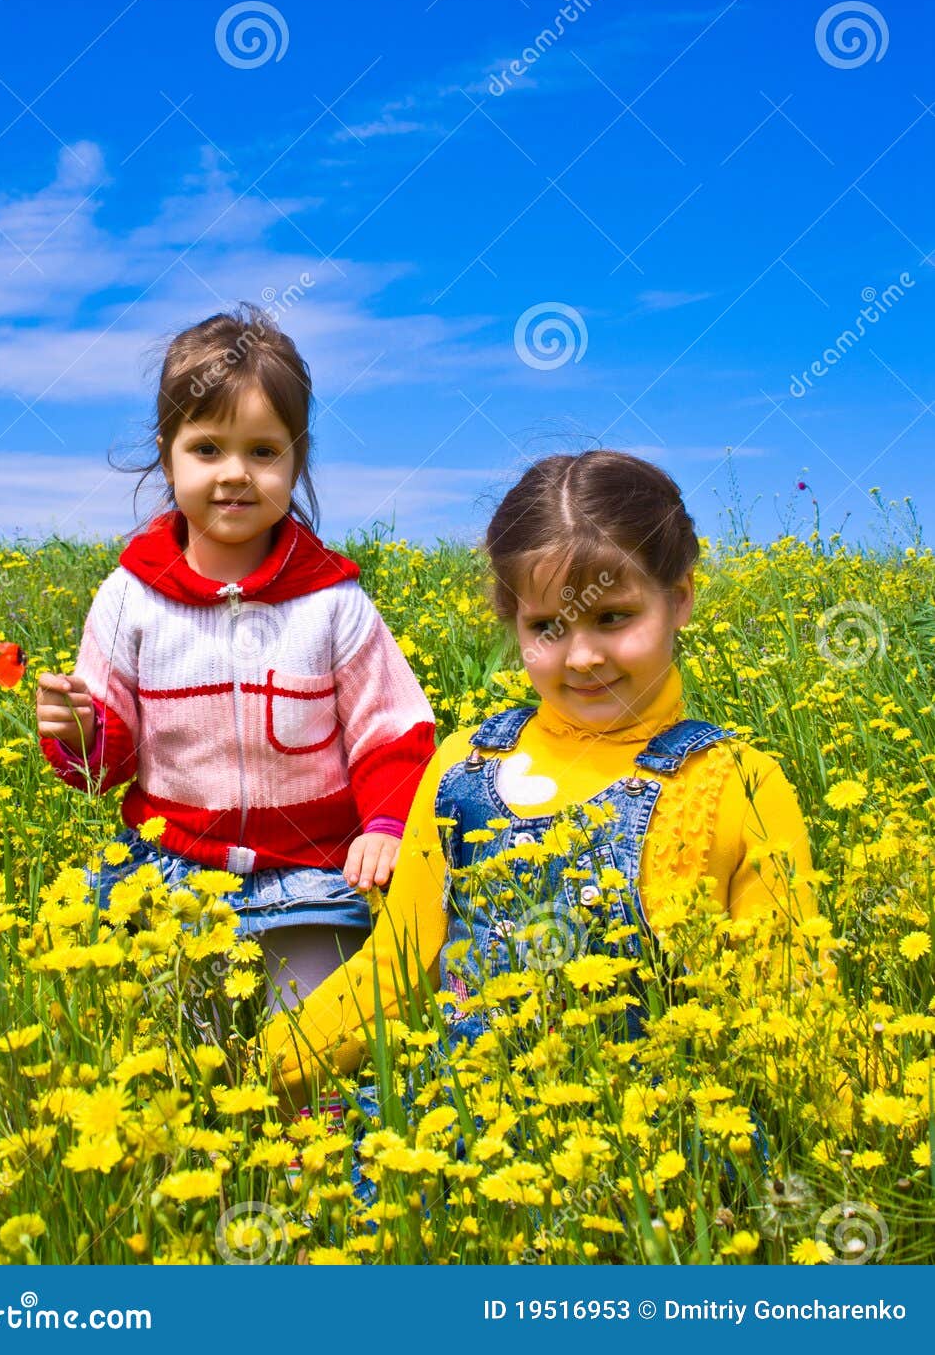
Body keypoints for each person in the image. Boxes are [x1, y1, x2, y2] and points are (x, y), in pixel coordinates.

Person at [260, 448, 824, 1113]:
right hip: (466, 1133)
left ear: (678, 601)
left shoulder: (734, 784)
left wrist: (872, 1138)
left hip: (660, 1149)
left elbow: (789, 1009)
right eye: (546, 627)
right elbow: (396, 966)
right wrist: (257, 1078)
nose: (582, 657)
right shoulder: (463, 766)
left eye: (613, 617)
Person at [36, 304, 435, 1015]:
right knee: (175, 1054)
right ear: (168, 454)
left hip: (308, 874)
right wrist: (78, 734)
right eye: (208, 449)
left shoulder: (333, 603)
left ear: (296, 459)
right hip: (172, 869)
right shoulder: (129, 598)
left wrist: (385, 826)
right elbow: (108, 765)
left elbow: (391, 731)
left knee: (312, 1045)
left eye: (262, 451)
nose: (235, 475)